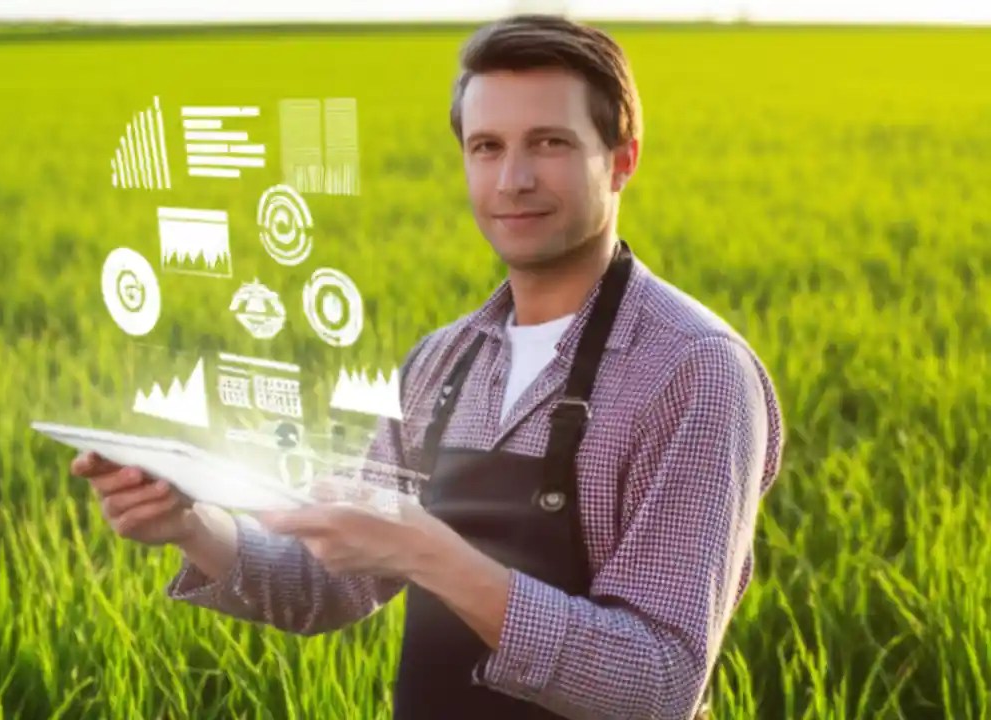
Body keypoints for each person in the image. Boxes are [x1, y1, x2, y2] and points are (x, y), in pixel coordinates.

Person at [71, 13, 784, 719]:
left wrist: (428, 551)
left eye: (550, 143)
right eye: (486, 146)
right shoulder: (442, 365)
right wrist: (191, 524)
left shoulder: (693, 371)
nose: (514, 178)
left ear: (624, 157)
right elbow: (327, 586)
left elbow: (653, 686)